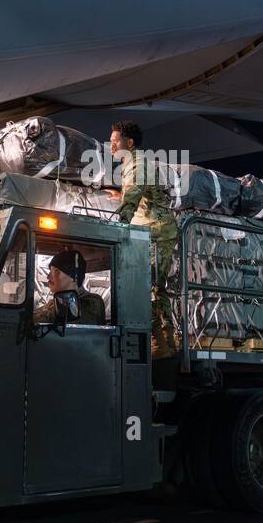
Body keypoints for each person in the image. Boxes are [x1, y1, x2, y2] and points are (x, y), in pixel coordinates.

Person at [107, 120, 177, 359]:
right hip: (149, 230)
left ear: (129, 142)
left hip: (157, 232)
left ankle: (164, 343)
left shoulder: (138, 165)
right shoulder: (133, 165)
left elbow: (131, 203)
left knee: (153, 286)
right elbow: (136, 194)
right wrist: (121, 194)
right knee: (148, 285)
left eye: (115, 141)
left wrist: (114, 229)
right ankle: (160, 339)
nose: (111, 146)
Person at [35, 250, 107, 325]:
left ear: (74, 277)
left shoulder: (92, 302)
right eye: (50, 271)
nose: (48, 276)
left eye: (56, 271)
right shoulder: (55, 302)